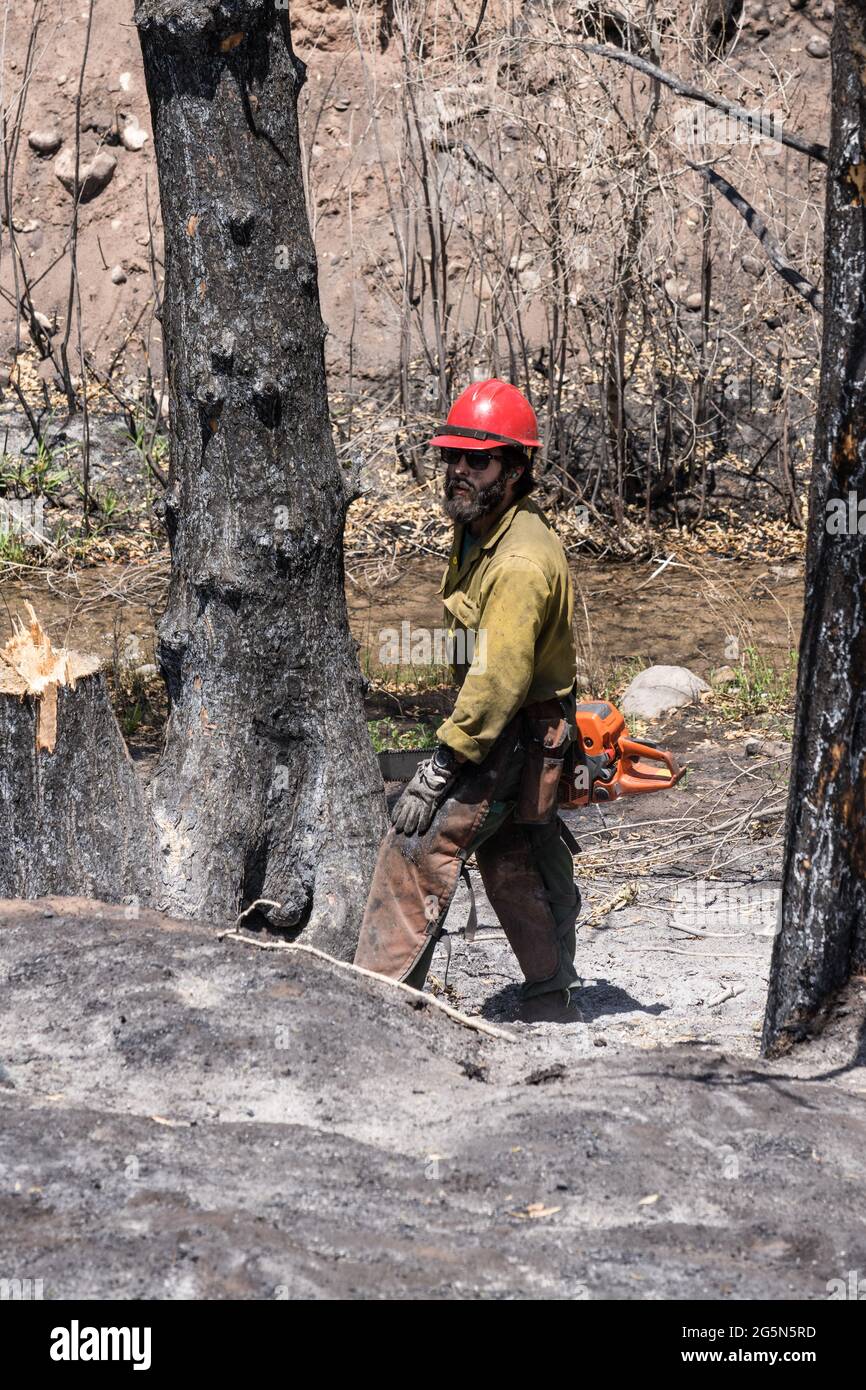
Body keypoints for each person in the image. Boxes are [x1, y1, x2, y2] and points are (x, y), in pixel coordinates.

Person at [354, 378, 581, 1010]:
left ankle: (377, 998)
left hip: (511, 730)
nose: (459, 470)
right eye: (451, 456)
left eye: (476, 460)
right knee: (511, 849)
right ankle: (549, 990)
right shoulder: (484, 522)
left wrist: (439, 767)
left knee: (416, 843)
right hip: (509, 725)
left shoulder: (517, 564)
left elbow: (498, 681)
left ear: (514, 467)